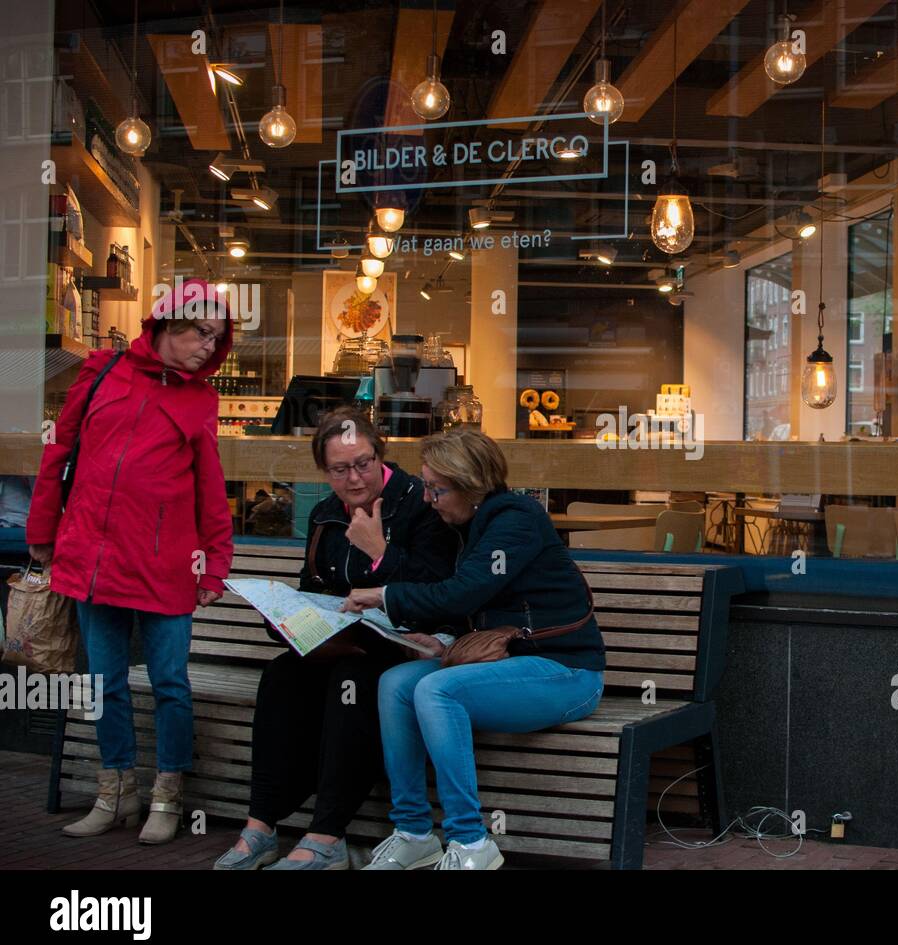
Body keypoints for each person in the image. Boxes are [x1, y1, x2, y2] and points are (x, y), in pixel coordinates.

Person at [26, 280, 234, 845]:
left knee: (170, 682)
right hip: (93, 555)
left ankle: (167, 794)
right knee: (104, 683)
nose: (206, 348)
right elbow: (58, 453)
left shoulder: (201, 400)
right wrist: (42, 528)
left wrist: (215, 566)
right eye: (199, 333)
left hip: (167, 566)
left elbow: (211, 491)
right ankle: (115, 792)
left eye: (215, 340)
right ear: (166, 324)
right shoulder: (99, 372)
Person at [341, 430, 605, 871]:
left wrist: (384, 595)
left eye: (436, 488)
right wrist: (445, 641)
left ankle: (471, 843)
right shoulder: (472, 524)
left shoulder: (516, 519)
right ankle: (413, 833)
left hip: (567, 672)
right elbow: (477, 605)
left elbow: (463, 592)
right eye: (426, 486)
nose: (428, 499)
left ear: (470, 484)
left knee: (437, 691)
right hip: (507, 666)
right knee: (396, 684)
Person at [215, 408, 459, 870]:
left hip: (407, 646)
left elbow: (439, 592)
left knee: (353, 679)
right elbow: (315, 587)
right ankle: (261, 824)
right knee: (282, 674)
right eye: (340, 469)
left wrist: (380, 552)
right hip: (348, 639)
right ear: (324, 472)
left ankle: (326, 836)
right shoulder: (328, 513)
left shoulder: (417, 503)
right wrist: (286, 622)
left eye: (363, 463)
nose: (354, 478)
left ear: (379, 453)